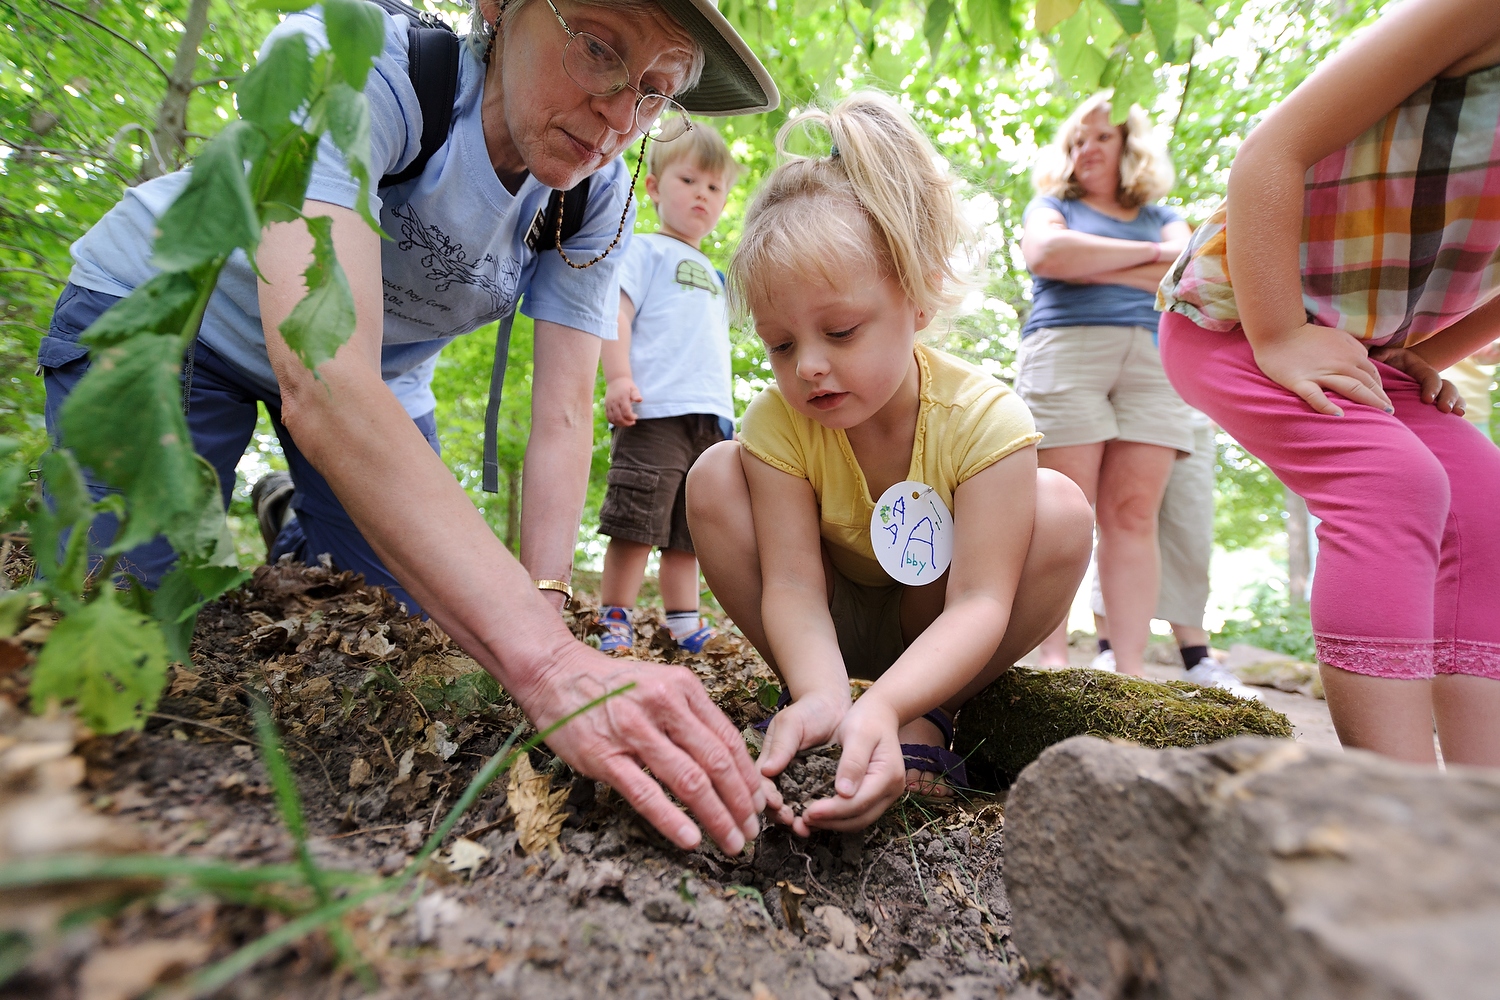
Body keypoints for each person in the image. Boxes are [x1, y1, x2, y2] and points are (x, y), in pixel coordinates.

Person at [41, 0, 784, 853]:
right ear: (497, 11)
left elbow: (565, 413)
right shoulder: (357, 67)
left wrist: (548, 630)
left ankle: (295, 521)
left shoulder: (596, 200)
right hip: (174, 313)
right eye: (598, 48)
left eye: (655, 91)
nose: (620, 116)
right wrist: (549, 671)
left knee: (405, 636)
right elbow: (321, 376)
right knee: (129, 626)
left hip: (383, 381)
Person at [686, 92, 1093, 834]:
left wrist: (894, 703)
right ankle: (819, 706)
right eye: (780, 344)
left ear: (917, 299)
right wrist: (823, 695)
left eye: (840, 331)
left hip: (938, 628)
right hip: (827, 631)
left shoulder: (984, 420)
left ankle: (927, 719)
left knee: (1061, 507)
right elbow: (793, 585)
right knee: (715, 473)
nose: (808, 366)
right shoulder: (779, 425)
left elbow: (978, 603)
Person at [1157, 0, 1500, 768]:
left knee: (1480, 499)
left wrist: (1432, 354)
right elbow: (1272, 151)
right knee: (1392, 480)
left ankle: (1484, 817)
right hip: (1239, 315)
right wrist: (1279, 335)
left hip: (1367, 345)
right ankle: (1391, 809)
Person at [1016, 93, 1196, 677]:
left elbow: (1192, 271)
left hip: (1154, 357)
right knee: (1065, 508)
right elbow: (1046, 252)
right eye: (1075, 141)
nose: (1085, 149)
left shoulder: (1164, 213)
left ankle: (1131, 672)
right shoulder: (1051, 205)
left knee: (1134, 514)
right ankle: (1052, 664)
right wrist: (1151, 259)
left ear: (1129, 146)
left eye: (1100, 137)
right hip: (1066, 350)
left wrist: (1089, 259)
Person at [596, 126, 741, 654]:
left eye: (715, 186)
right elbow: (616, 312)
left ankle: (684, 621)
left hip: (709, 418)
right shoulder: (644, 251)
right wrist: (618, 377)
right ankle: (614, 614)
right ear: (654, 187)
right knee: (637, 519)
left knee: (690, 530)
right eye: (689, 179)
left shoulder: (716, 275)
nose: (703, 193)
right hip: (653, 410)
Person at [1087, 409, 1262, 700]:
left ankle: (1197, 659)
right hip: (1121, 405)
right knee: (1120, 527)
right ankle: (1109, 651)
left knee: (1190, 538)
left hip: (1188, 411)